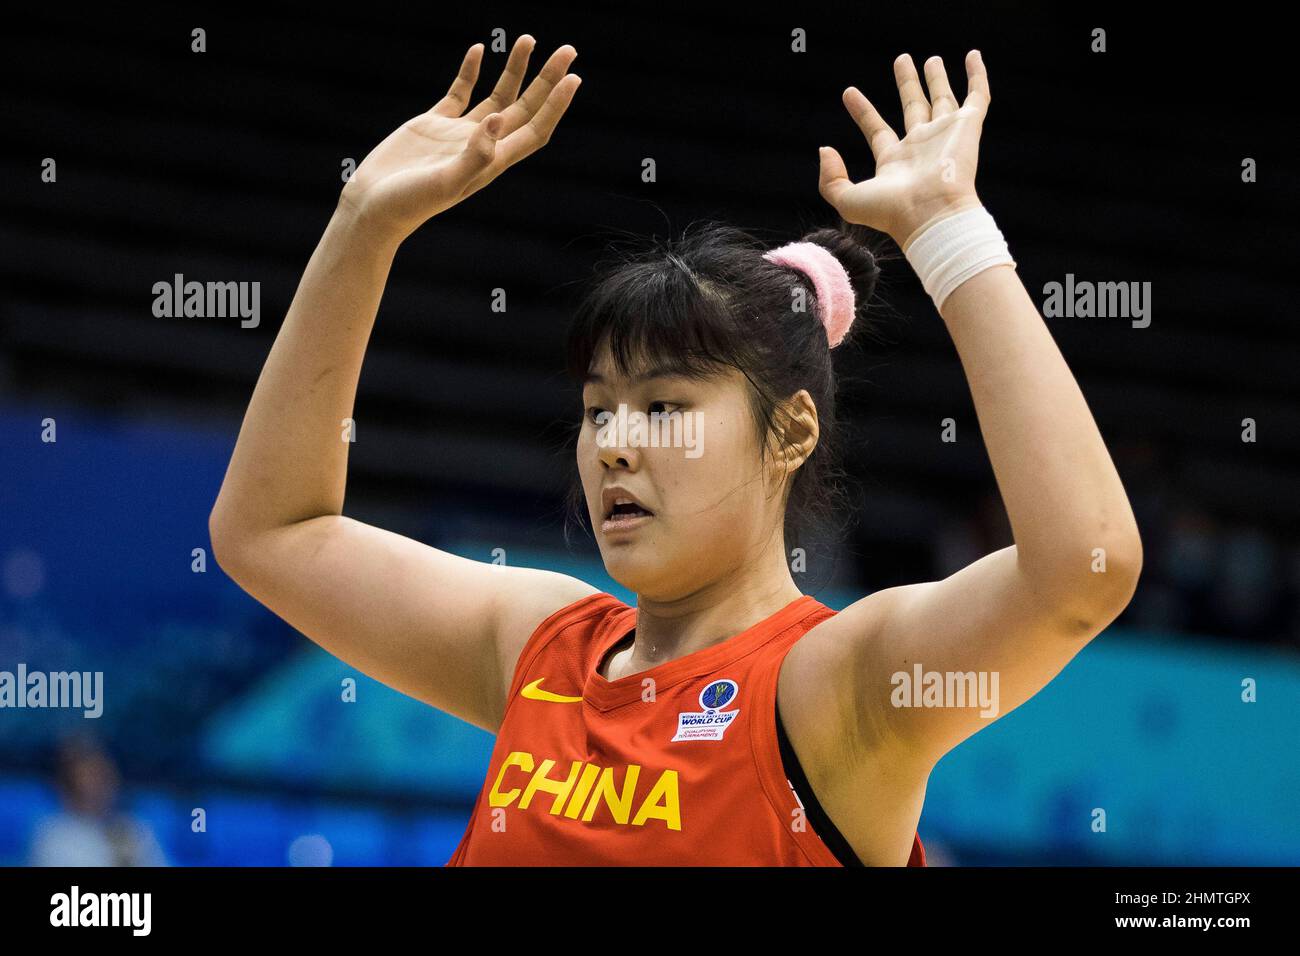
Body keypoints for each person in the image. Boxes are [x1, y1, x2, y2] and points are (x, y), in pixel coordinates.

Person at [209, 37, 1142, 866]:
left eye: (664, 407)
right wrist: (363, 225)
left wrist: (950, 233)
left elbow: (1083, 569)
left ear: (791, 432)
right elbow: (269, 532)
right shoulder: (538, 649)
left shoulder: (831, 691)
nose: (614, 444)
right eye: (597, 410)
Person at [29, 735, 168, 867]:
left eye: (104, 778)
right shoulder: (53, 837)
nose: (100, 789)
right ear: (68, 787)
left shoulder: (133, 828)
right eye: (90, 779)